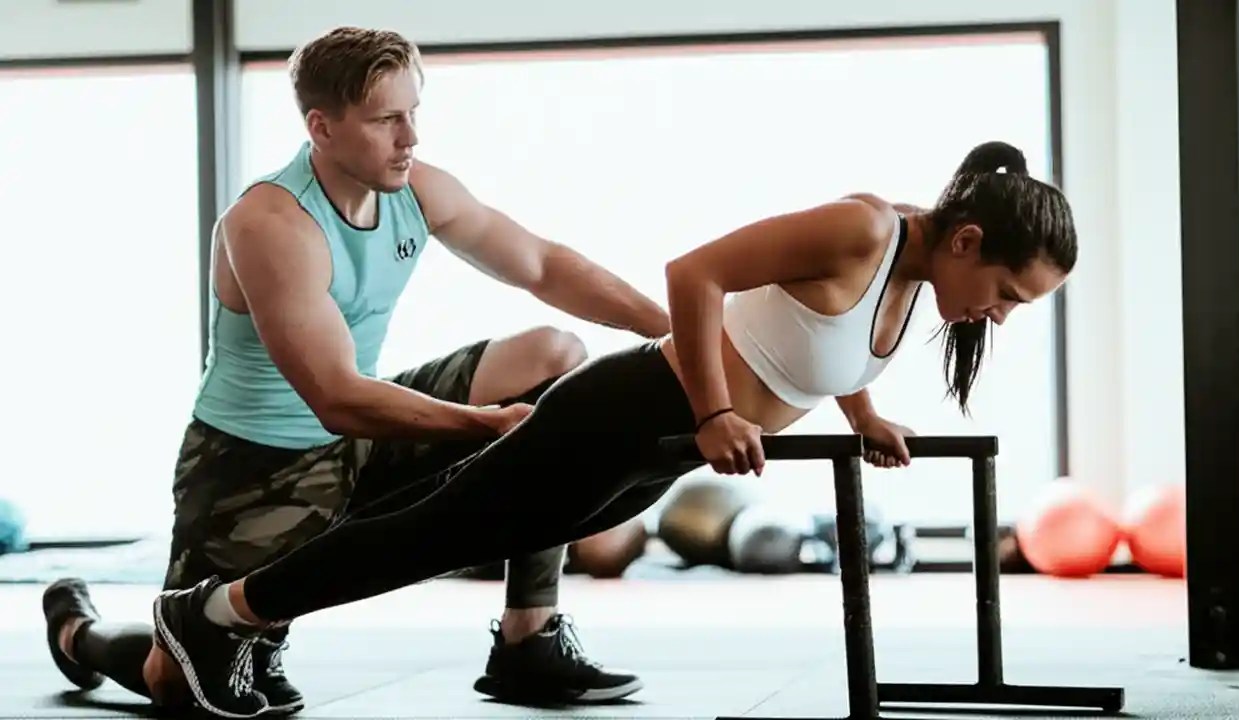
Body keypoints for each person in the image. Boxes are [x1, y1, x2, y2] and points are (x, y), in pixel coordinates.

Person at [143, 136, 1078, 717]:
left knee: (442, 527)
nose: (1000, 314)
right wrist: (717, 409)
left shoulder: (914, 280)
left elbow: (819, 348)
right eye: (1007, 292)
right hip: (626, 409)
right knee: (431, 535)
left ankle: (243, 613)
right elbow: (694, 274)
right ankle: (216, 612)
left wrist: (864, 412)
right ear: (967, 241)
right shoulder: (864, 230)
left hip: (656, 448)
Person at [41, 25, 672, 714]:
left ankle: (530, 638)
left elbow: (544, 266)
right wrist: (489, 425)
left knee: (554, 355)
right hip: (253, 464)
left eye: (413, 113)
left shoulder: (416, 189)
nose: (410, 137)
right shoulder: (270, 223)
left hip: (362, 440)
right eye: (385, 120)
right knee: (175, 680)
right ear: (322, 127)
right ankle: (76, 631)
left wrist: (675, 333)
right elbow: (336, 398)